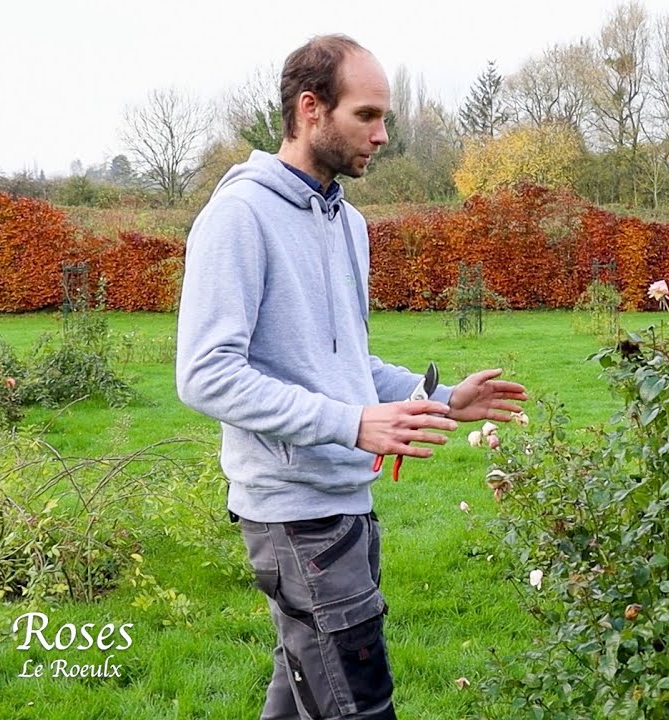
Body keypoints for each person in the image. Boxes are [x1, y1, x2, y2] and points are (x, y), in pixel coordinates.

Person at [174, 34, 527, 720]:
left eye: (383, 116)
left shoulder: (349, 223)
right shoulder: (240, 217)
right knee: (359, 704)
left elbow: (343, 363)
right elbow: (205, 374)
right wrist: (352, 423)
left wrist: (443, 398)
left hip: (347, 504)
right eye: (366, 115)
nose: (383, 134)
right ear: (311, 109)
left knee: (303, 698)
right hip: (294, 515)